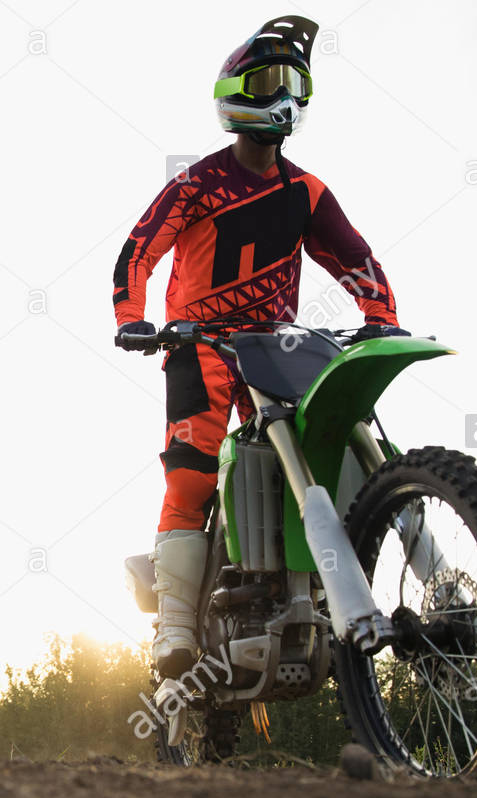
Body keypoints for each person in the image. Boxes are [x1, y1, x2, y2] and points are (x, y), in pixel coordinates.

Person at [111, 15, 405, 678]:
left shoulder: (305, 190)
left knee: (325, 448)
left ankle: (304, 588)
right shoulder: (195, 185)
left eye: (297, 82)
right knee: (189, 474)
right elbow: (139, 250)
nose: (288, 95)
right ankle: (176, 628)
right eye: (273, 80)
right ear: (236, 92)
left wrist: (380, 315)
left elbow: (353, 256)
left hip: (279, 348)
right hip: (202, 344)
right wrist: (133, 316)